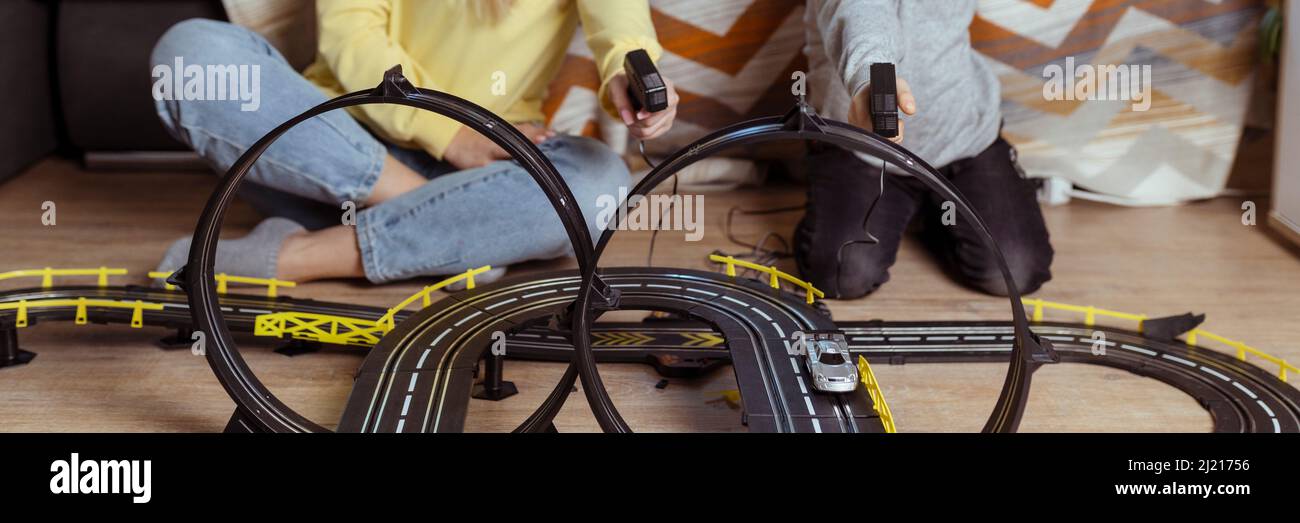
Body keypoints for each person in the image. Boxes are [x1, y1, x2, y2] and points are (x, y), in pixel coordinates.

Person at [150, 0, 679, 286]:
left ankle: (297, 257)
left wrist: (627, 69)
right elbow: (350, 35)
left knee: (600, 182)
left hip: (489, 171)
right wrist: (448, 132)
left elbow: (620, 24)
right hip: (332, 150)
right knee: (191, 53)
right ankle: (453, 237)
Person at [795, 0, 1053, 298]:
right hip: (861, 145)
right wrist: (868, 78)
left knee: (1016, 271)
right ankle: (909, 209)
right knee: (844, 276)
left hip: (962, 137)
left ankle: (929, 215)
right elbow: (860, 9)